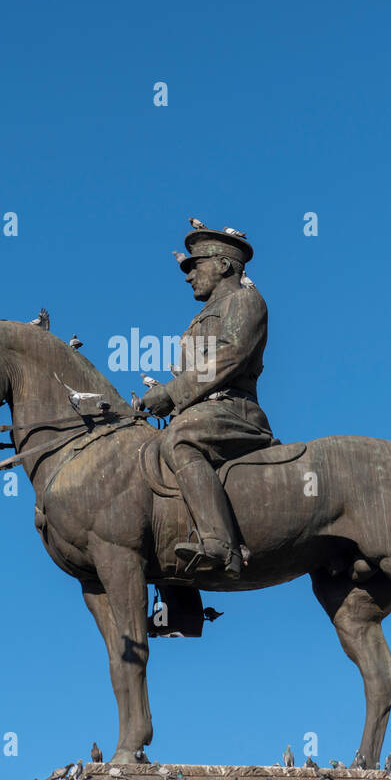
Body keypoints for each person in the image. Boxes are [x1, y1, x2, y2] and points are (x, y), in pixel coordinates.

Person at [140, 222, 274, 580]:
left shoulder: (245, 301)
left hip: (235, 412)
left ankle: (220, 545)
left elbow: (231, 355)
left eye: (196, 265)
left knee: (180, 440)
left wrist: (171, 392)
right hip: (201, 412)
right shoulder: (200, 318)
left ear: (224, 265)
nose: (188, 276)